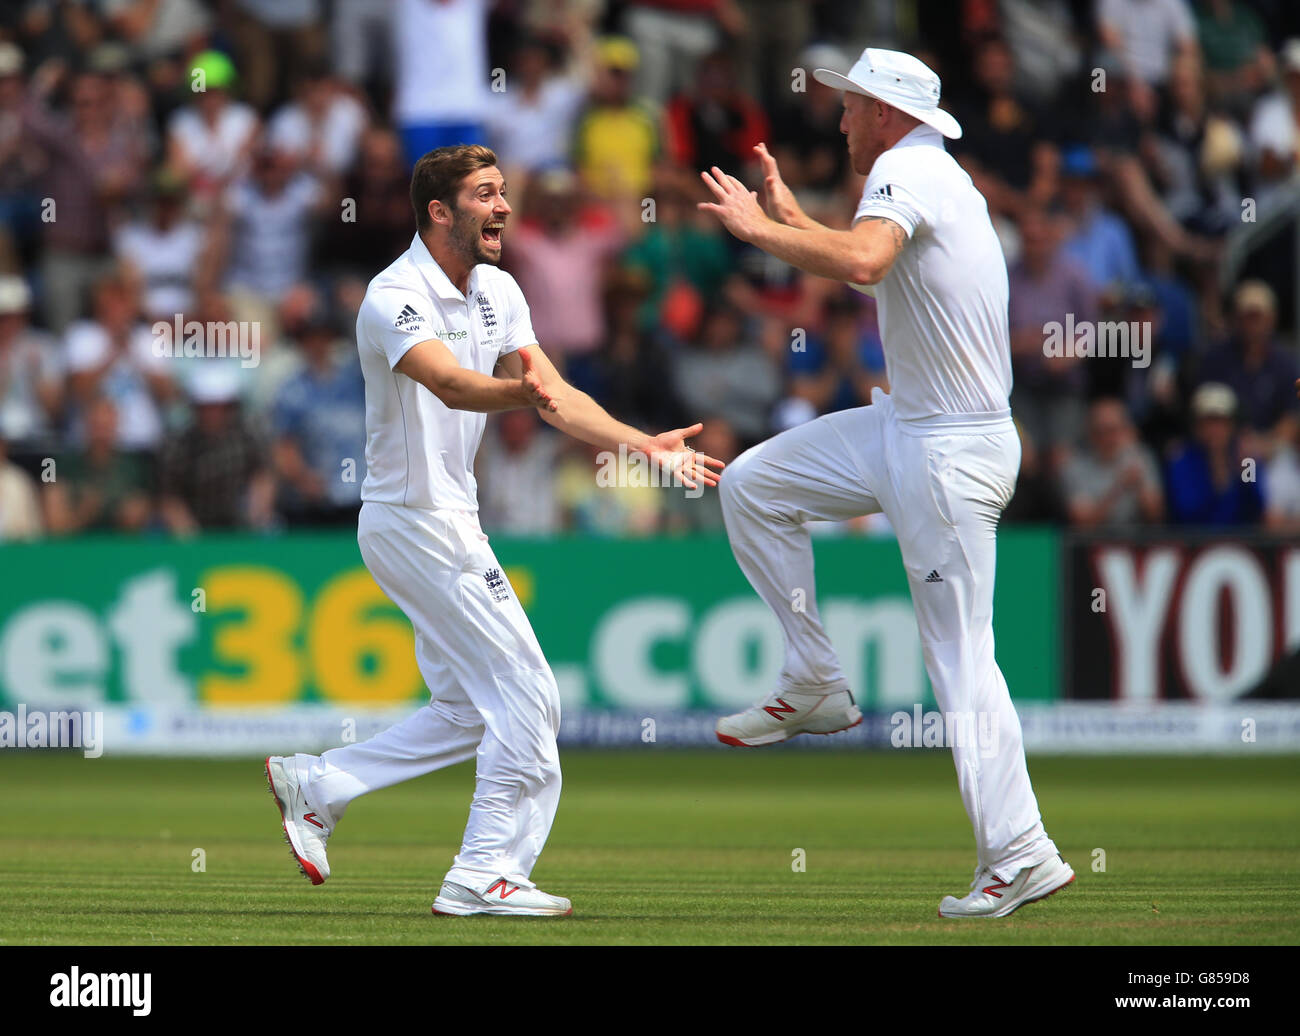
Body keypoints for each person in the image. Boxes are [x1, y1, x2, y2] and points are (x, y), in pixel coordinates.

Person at [265, 143, 723, 918]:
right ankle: (484, 871)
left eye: (503, 191)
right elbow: (450, 382)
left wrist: (641, 444)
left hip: (446, 520)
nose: (504, 207)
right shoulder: (392, 294)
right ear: (440, 211)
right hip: (415, 522)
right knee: (529, 693)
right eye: (486, 194)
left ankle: (323, 783)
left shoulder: (500, 289)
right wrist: (531, 395)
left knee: (469, 709)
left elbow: (557, 393)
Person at [696, 48, 1073, 918]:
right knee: (754, 483)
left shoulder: (909, 168)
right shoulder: (925, 173)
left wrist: (758, 233)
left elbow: (864, 263)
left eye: (850, 106)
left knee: (961, 659)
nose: (838, 120)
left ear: (886, 113)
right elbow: (869, 254)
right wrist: (792, 214)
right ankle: (816, 681)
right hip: (905, 430)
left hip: (949, 453)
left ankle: (1020, 854)